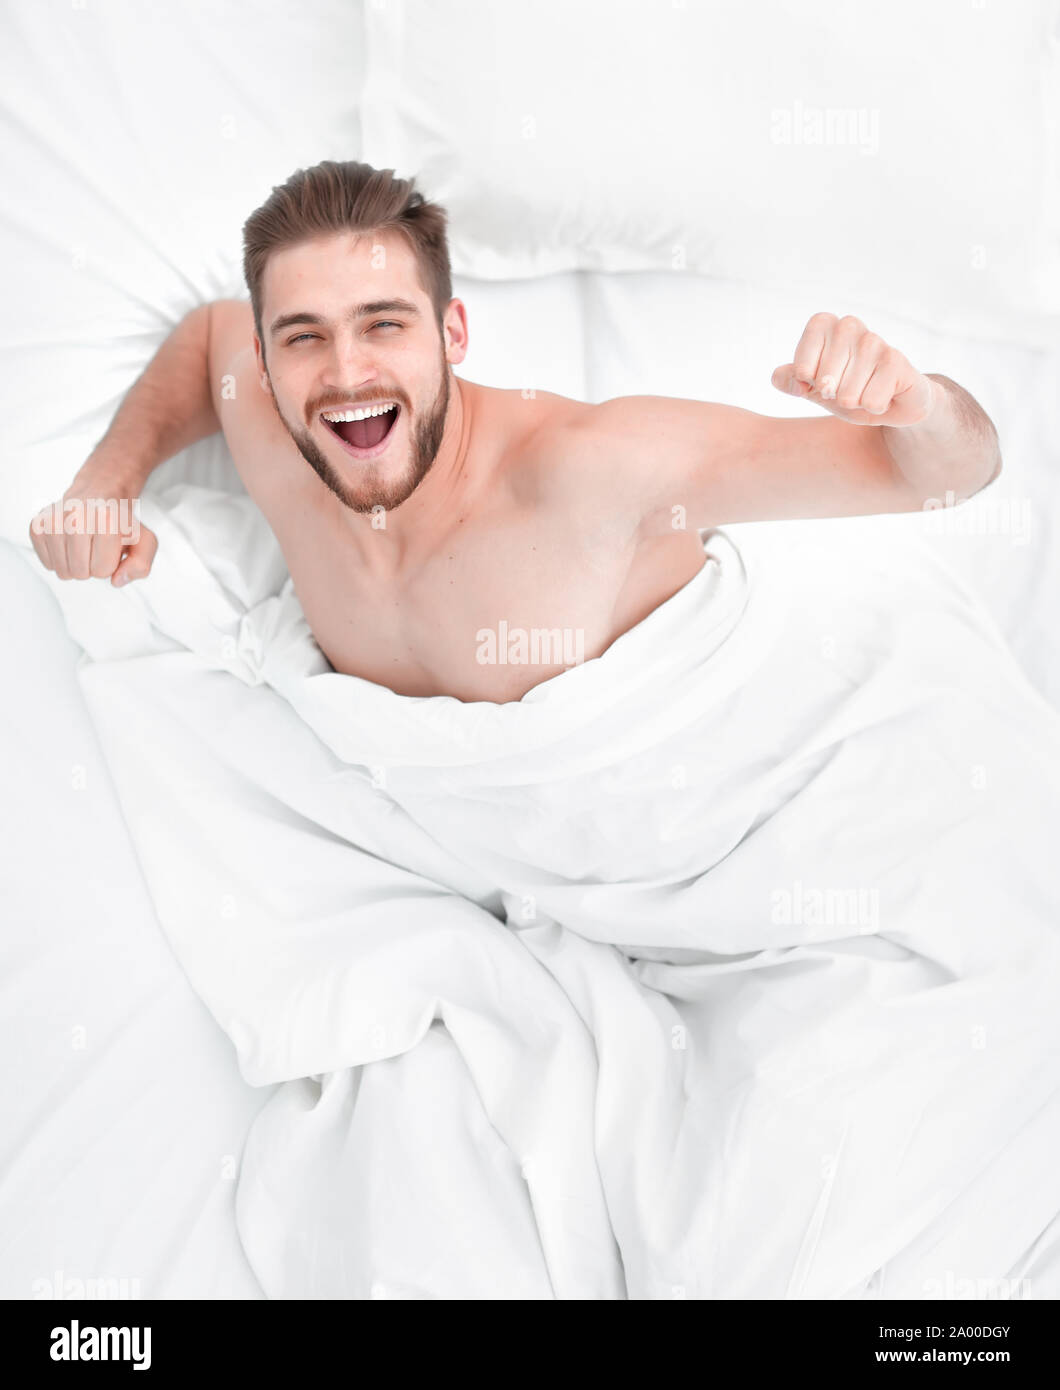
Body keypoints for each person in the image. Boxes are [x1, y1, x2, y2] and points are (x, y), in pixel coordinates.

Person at [28, 159, 1001, 704]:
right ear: (270, 361)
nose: (345, 372)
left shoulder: (591, 472)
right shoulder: (282, 437)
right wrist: (104, 486)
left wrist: (919, 406)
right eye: (303, 338)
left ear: (452, 333)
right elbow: (206, 339)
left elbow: (942, 475)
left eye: (384, 324)